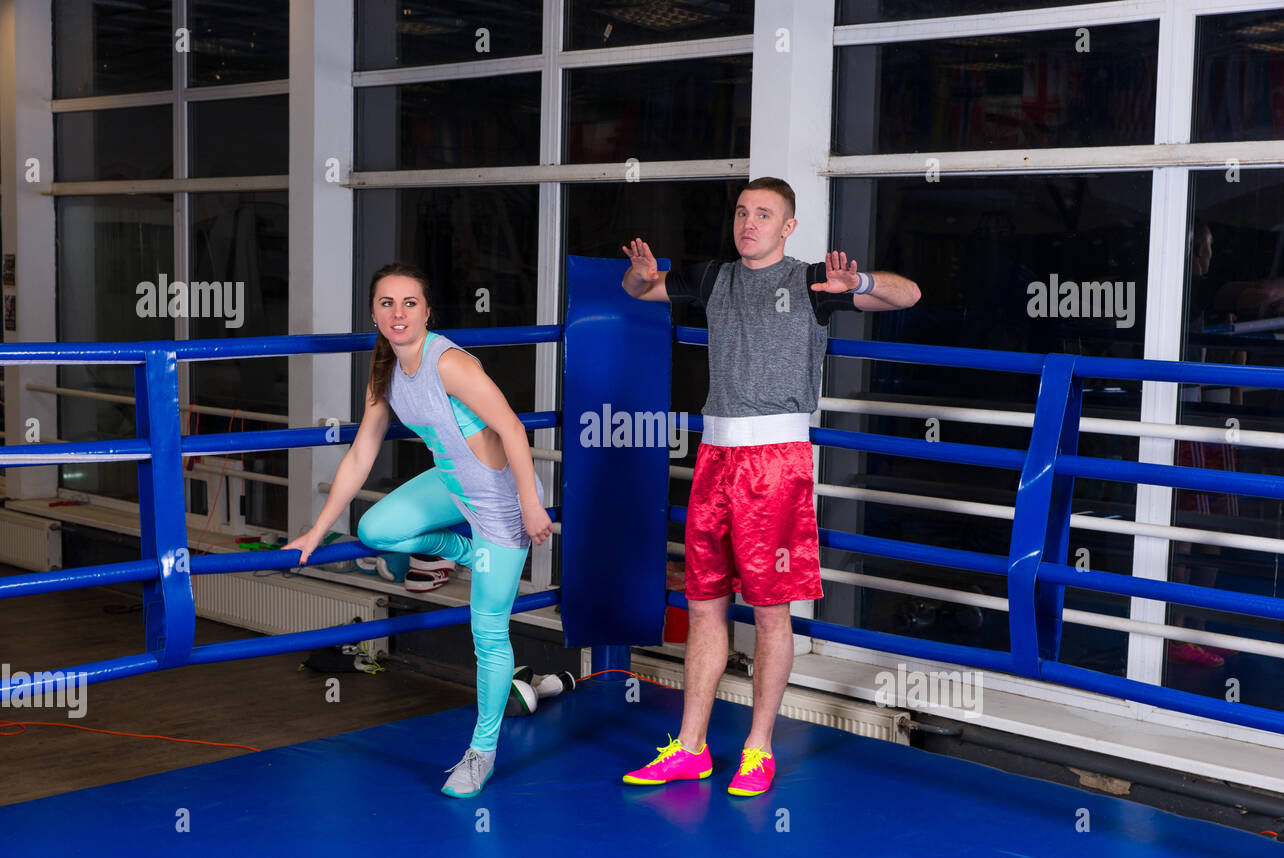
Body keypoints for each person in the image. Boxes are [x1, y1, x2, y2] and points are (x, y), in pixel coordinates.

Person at [618, 177, 921, 796]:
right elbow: (640, 290)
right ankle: (691, 748)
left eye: (764, 214)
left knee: (770, 609)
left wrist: (858, 283)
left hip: (775, 462)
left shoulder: (813, 282)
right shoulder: (714, 279)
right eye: (741, 212)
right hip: (715, 456)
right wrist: (641, 274)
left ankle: (758, 750)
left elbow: (908, 294)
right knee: (703, 603)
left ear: (788, 227)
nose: (748, 223)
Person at [284, 262, 552, 798]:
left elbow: (512, 427)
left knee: (488, 632)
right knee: (376, 528)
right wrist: (317, 529)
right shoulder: (383, 368)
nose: (398, 313)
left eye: (410, 303)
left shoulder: (447, 363)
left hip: (500, 503)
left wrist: (529, 505)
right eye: (387, 303)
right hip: (451, 484)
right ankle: (461, 550)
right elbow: (363, 449)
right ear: (374, 313)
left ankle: (482, 752)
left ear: (427, 311)